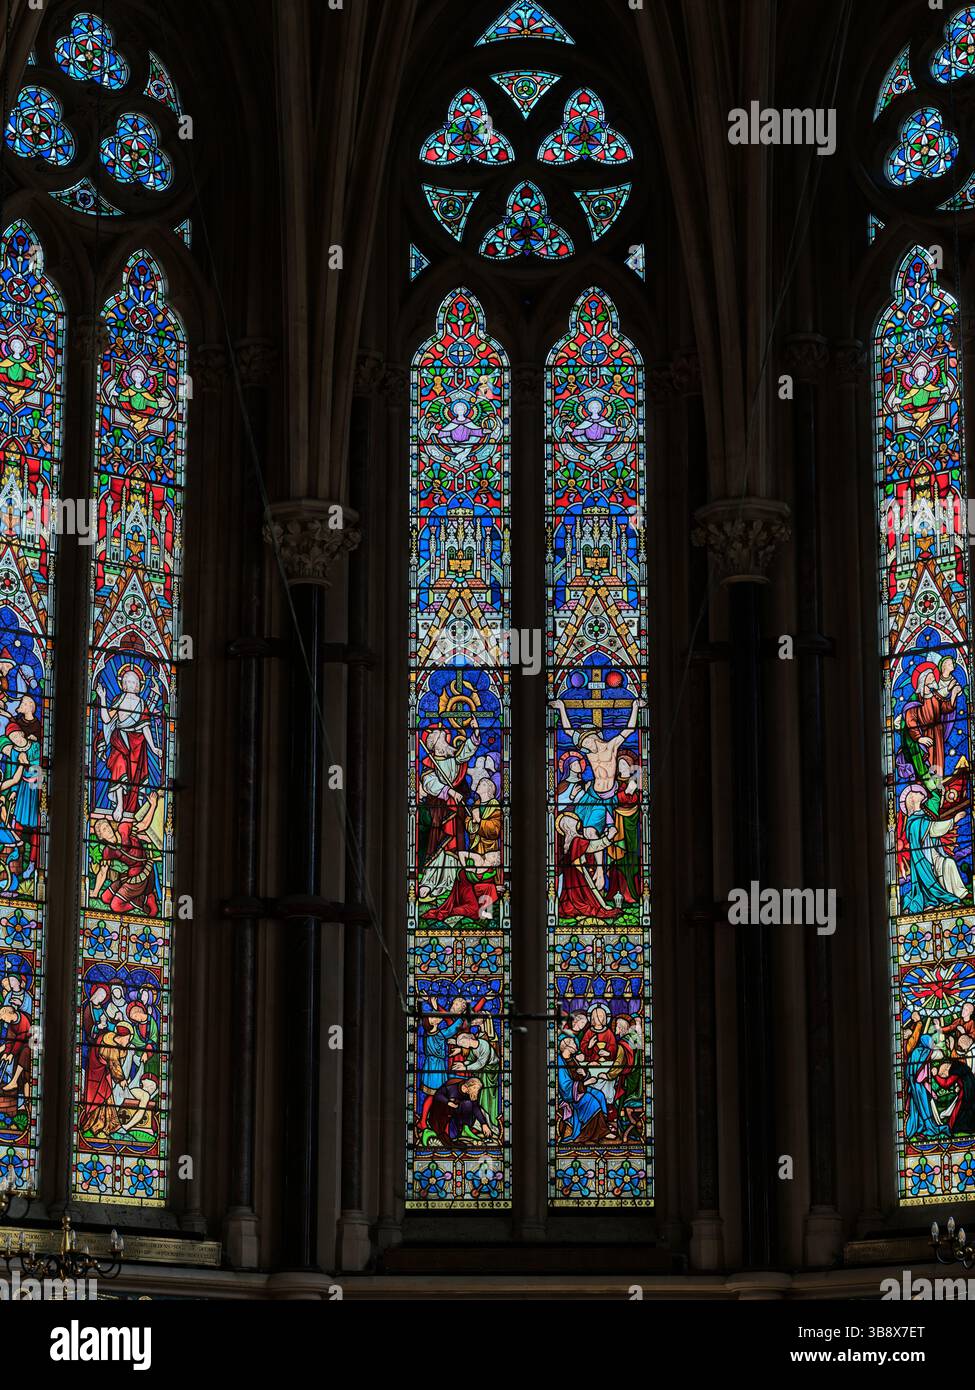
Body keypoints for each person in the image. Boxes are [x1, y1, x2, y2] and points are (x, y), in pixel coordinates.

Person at [556, 1036, 611, 1142]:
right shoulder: (559, 1062)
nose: (576, 1045)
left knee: (599, 1095)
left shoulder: (572, 1059)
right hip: (570, 1097)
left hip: (579, 1090)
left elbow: (579, 1076)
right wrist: (587, 1082)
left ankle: (603, 1129)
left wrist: (585, 1074)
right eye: (573, 1042)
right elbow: (565, 1088)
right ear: (566, 1045)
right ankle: (591, 1133)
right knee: (591, 1100)